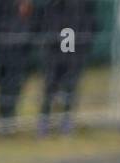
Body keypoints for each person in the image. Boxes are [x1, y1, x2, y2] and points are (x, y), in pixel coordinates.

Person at [36, 0, 96, 136]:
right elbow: (43, 23)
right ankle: (44, 121)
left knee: (70, 88)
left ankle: (66, 122)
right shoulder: (53, 5)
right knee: (49, 87)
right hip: (54, 53)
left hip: (74, 53)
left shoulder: (83, 6)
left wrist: (83, 46)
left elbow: (91, 24)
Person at [0, 0, 36, 135]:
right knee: (3, 89)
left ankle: (9, 122)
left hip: (20, 55)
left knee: (15, 89)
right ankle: (3, 122)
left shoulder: (28, 7)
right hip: (3, 54)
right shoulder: (2, 6)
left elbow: (32, 27)